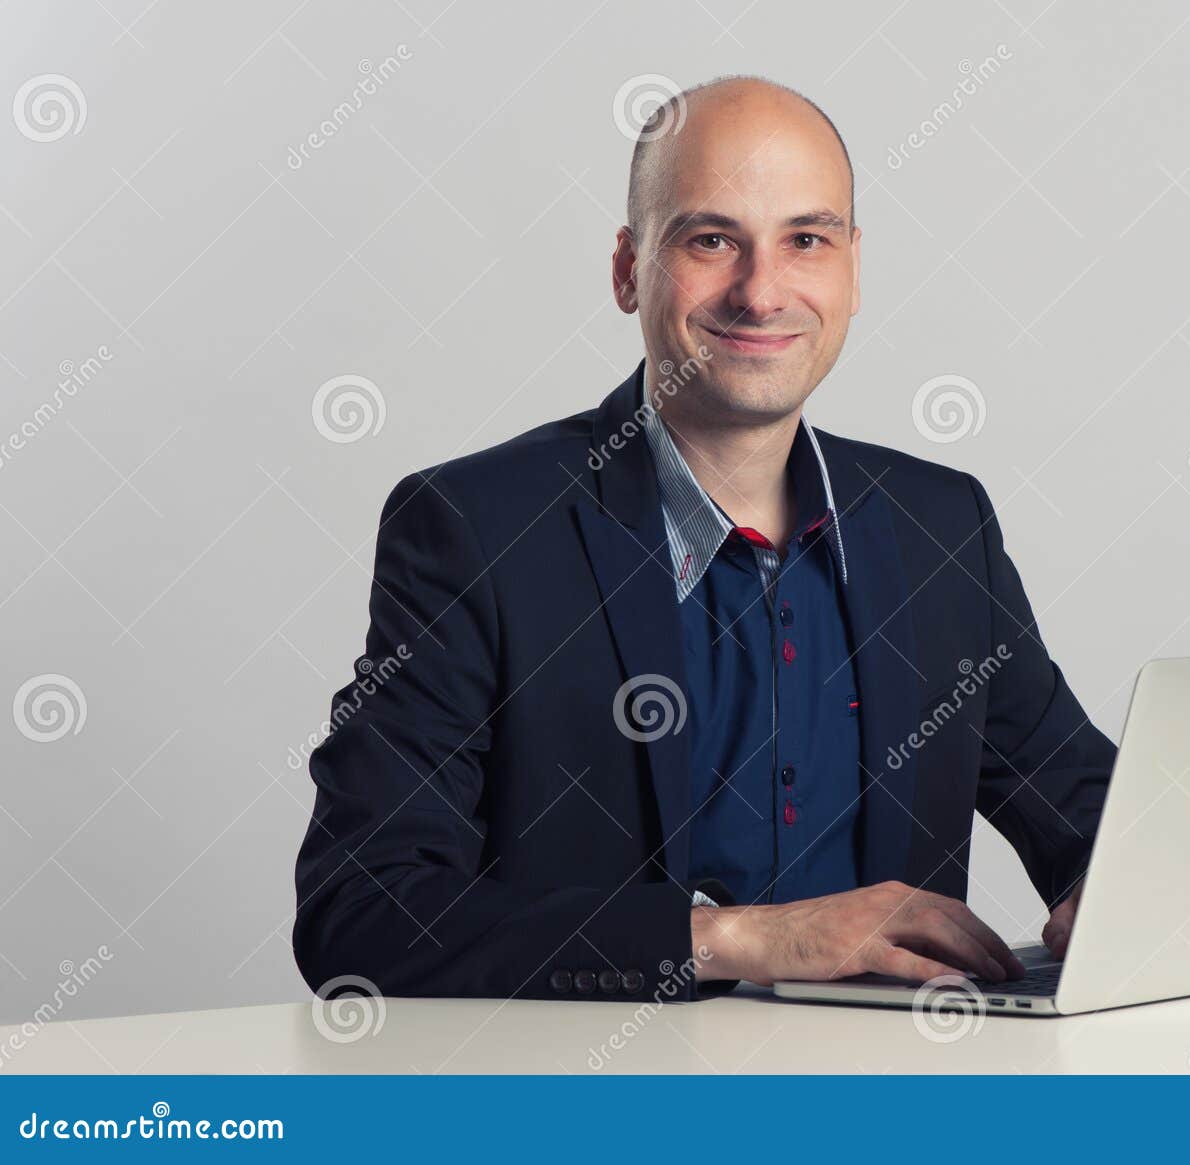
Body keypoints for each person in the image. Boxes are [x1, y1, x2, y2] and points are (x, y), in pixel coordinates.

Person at [292, 76, 1117, 1003]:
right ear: (626, 269)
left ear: (852, 268)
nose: (761, 292)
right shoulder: (477, 530)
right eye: (711, 239)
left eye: (807, 239)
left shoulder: (939, 527)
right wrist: (739, 939)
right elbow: (361, 914)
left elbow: (1098, 819)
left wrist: (1120, 896)